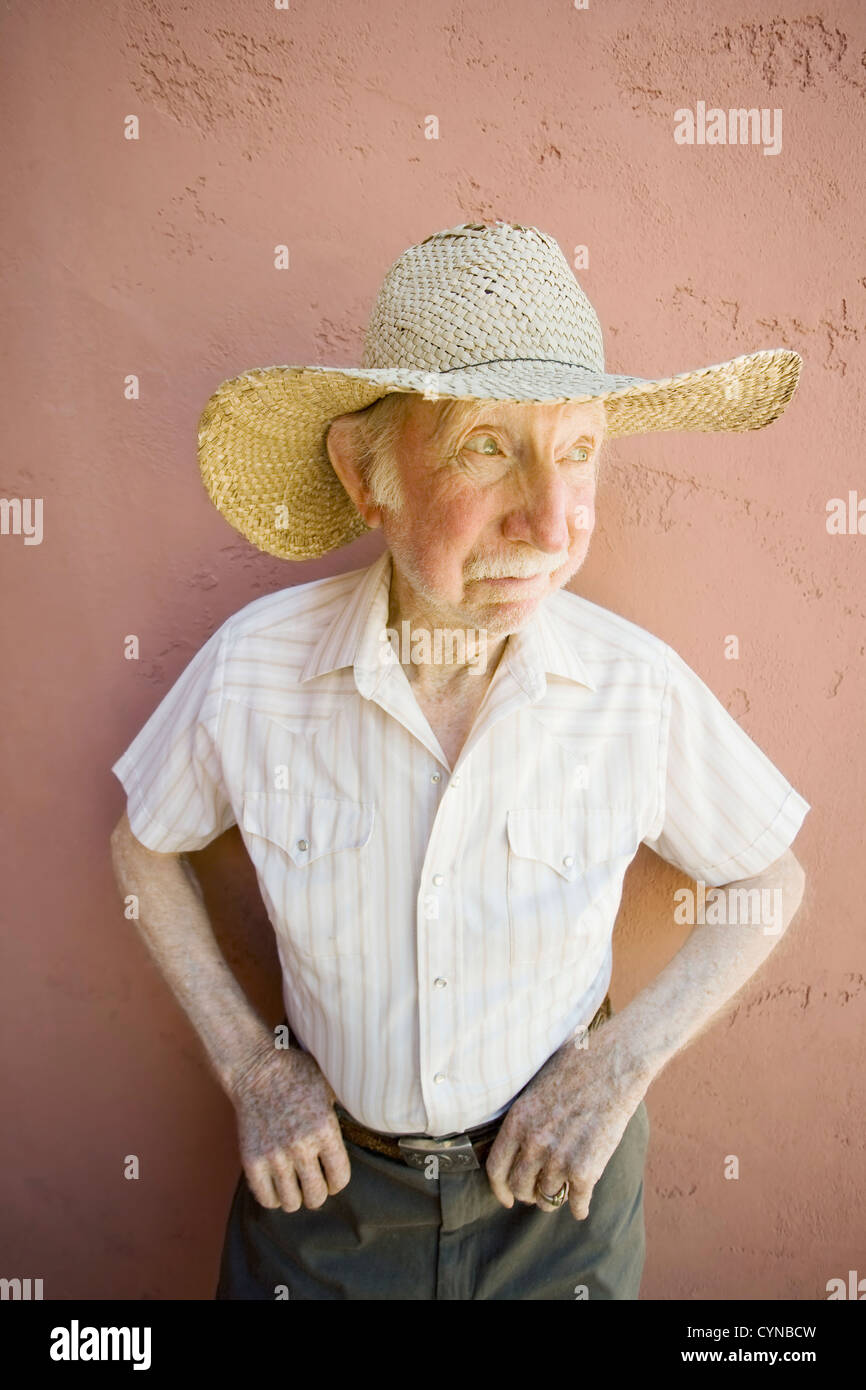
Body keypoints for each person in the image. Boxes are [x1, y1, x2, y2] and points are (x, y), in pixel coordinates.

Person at [110, 220, 809, 1300]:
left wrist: (617, 1068)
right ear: (365, 472)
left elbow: (766, 877)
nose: (547, 520)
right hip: (323, 1202)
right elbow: (143, 847)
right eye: (488, 444)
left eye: (575, 448)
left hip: (556, 1206)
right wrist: (251, 1066)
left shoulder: (634, 685)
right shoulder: (255, 669)